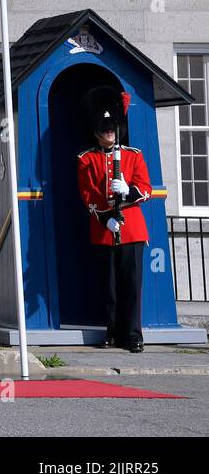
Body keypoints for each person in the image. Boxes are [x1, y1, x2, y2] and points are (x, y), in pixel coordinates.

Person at [77, 97, 152, 353]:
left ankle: (133, 335)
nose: (110, 132)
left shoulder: (133, 156)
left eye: (112, 128)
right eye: (105, 129)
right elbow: (88, 194)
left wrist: (129, 191)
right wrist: (104, 217)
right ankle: (111, 331)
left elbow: (146, 190)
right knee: (109, 287)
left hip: (131, 229)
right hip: (104, 228)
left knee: (131, 285)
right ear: (97, 133)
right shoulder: (86, 159)